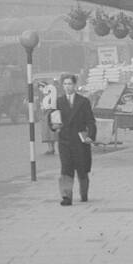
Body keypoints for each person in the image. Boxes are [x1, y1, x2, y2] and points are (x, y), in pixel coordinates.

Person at [55, 73, 97, 206]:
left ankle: (83, 193)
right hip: (65, 141)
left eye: (70, 84)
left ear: (75, 85)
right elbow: (53, 118)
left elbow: (90, 121)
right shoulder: (58, 102)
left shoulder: (83, 102)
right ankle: (66, 196)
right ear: (62, 86)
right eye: (65, 84)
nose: (68, 87)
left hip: (80, 141)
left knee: (82, 169)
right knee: (66, 169)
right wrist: (53, 126)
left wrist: (91, 135)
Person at [39, 79, 58, 153]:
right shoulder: (43, 96)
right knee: (47, 132)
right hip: (46, 115)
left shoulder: (50, 96)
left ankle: (51, 148)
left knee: (50, 132)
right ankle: (50, 148)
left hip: (49, 114)